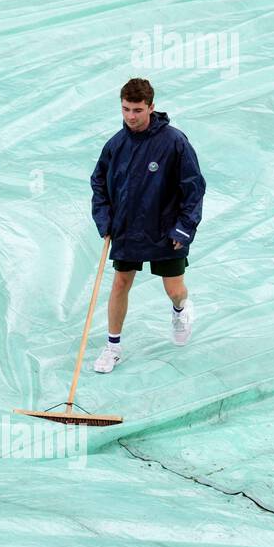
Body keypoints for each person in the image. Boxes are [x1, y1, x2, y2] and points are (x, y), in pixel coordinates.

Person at [89, 78, 205, 372]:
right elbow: (98, 182)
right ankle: (112, 347)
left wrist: (184, 227)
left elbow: (194, 187)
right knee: (120, 284)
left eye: (137, 110)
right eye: (126, 109)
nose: (130, 116)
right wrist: (104, 220)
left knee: (174, 289)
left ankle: (180, 310)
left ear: (151, 107)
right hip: (127, 228)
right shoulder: (116, 144)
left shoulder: (174, 142)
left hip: (166, 231)